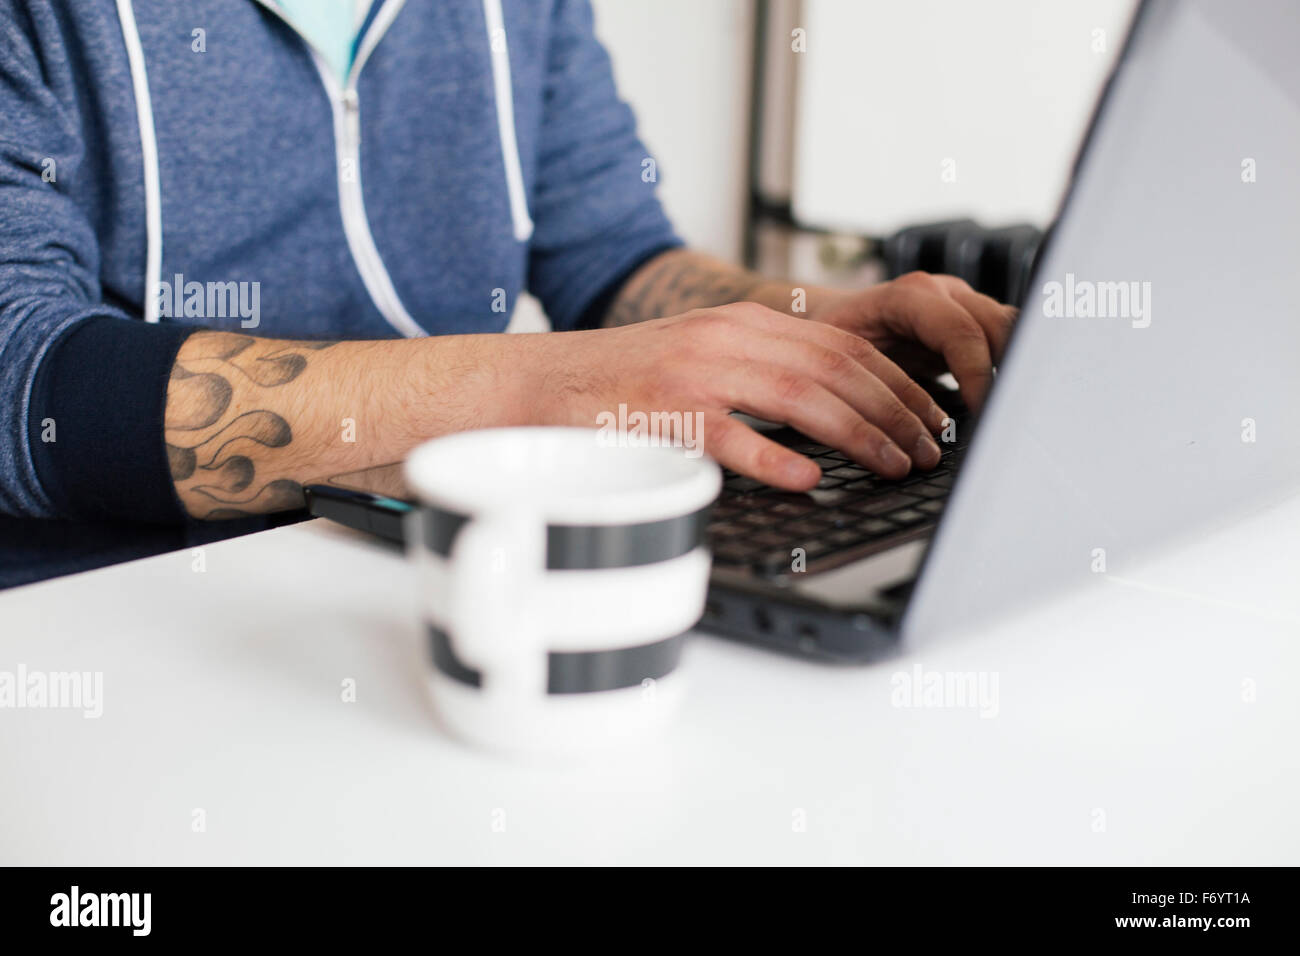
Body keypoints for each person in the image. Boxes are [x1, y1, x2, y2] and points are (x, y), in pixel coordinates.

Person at [0, 0, 1013, 584]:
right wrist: (537, 390)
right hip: (128, 622)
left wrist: (805, 334)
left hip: (439, 577)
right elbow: (30, 386)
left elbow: (609, 255)